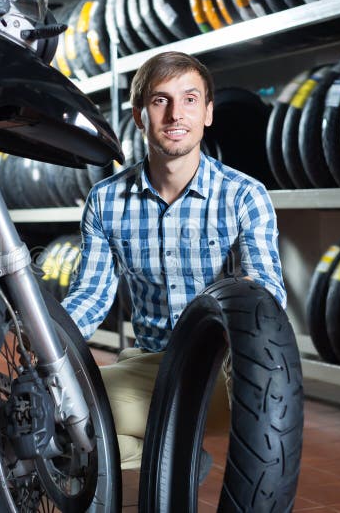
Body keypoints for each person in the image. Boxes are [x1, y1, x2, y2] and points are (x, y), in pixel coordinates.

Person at [61, 51, 286, 474]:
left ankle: (169, 449)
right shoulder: (107, 200)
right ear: (139, 115)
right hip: (152, 365)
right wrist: (49, 350)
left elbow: (263, 294)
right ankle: (174, 462)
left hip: (226, 371)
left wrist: (256, 375)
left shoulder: (244, 195)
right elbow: (90, 297)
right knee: (62, 410)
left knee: (85, 415)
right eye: (160, 100)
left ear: (208, 113)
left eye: (190, 99)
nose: (175, 114)